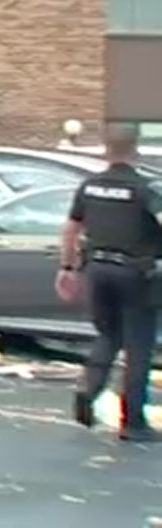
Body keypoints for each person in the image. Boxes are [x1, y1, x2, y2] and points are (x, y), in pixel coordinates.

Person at [59, 125, 162, 441]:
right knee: (138, 348)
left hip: (98, 270)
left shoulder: (90, 186)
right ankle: (132, 422)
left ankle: (88, 392)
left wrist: (67, 268)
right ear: (134, 150)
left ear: (107, 149)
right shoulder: (144, 188)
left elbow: (70, 230)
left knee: (108, 335)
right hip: (136, 275)